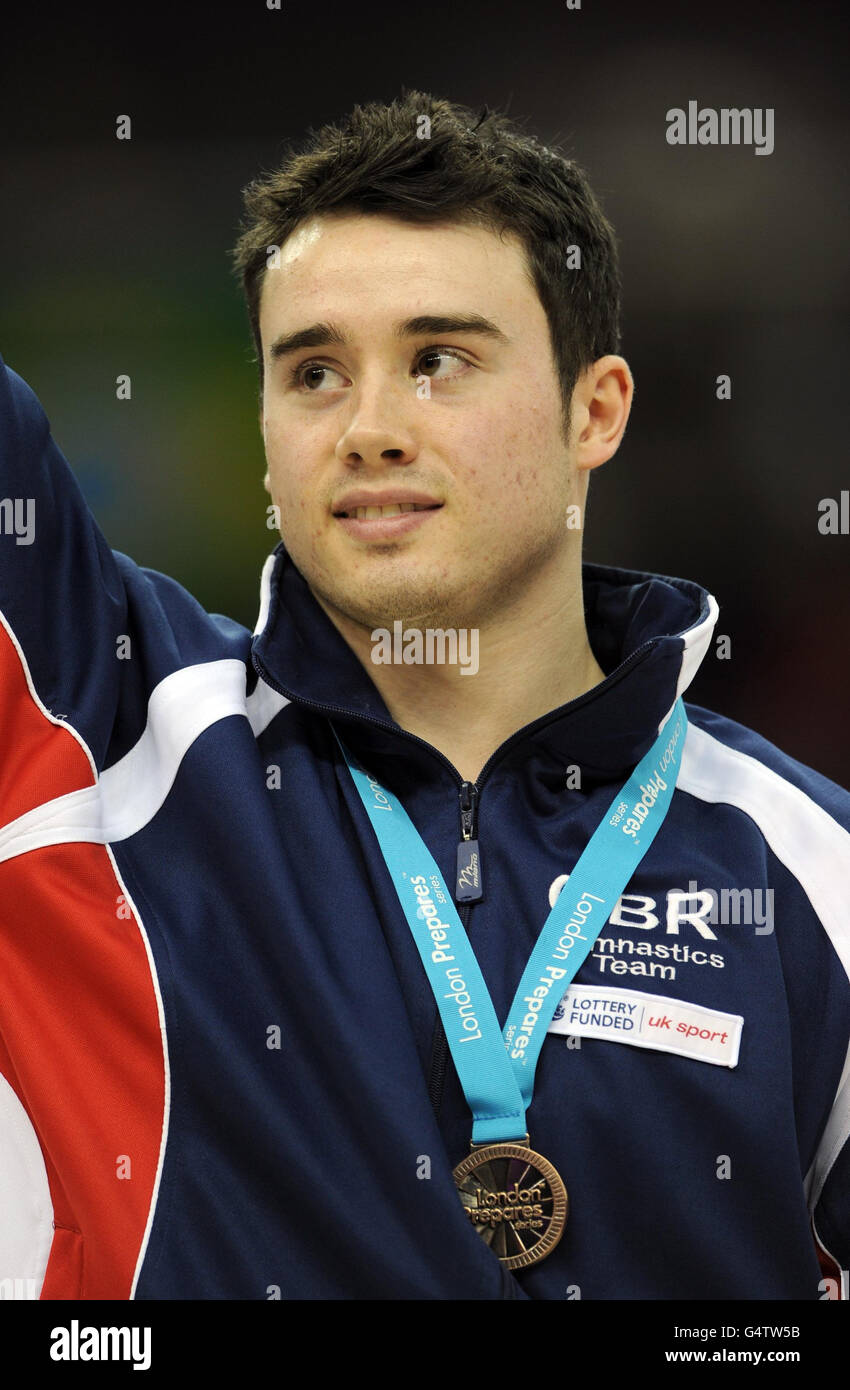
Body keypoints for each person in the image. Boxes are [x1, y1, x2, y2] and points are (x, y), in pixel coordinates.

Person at [0, 88, 847, 1302]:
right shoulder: (104, 719)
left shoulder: (811, 871)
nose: (369, 428)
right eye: (313, 373)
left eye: (438, 360)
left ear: (592, 411)